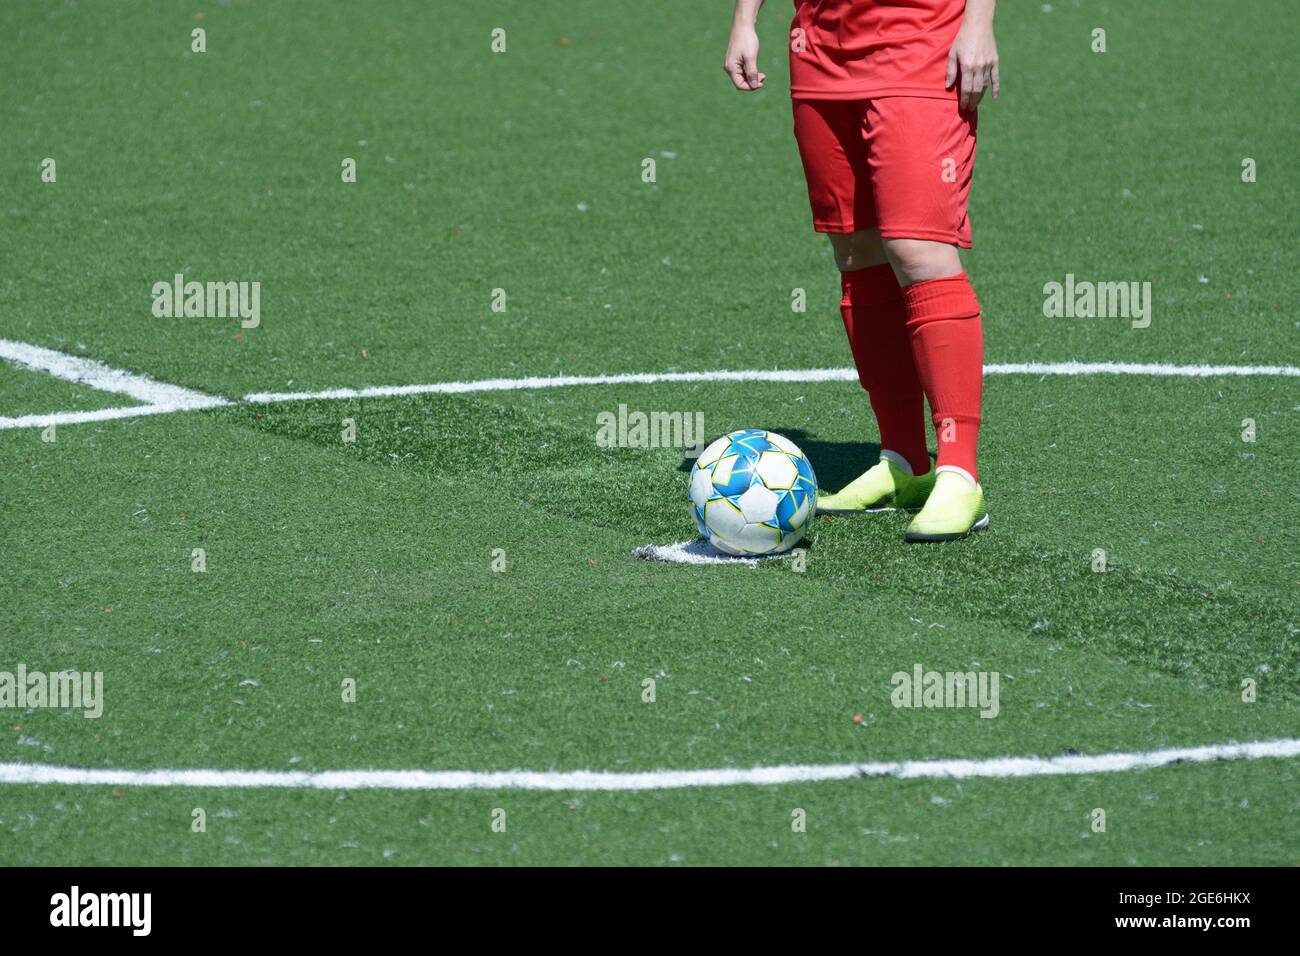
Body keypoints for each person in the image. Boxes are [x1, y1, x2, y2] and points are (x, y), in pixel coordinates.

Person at [724, 0, 999, 541]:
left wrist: (979, 23)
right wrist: (744, 20)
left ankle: (958, 472)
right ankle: (903, 462)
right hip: (821, 54)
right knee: (857, 253)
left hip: (922, 45)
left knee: (919, 250)